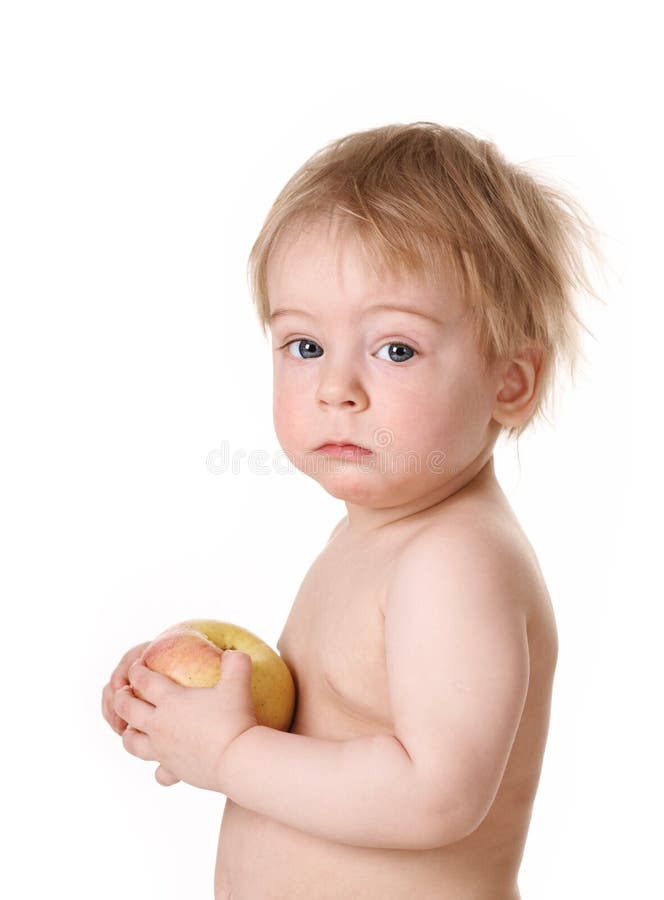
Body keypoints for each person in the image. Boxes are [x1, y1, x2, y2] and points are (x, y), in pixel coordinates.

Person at [101, 121, 605, 899]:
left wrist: (231, 754)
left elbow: (435, 795)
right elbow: (331, 735)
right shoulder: (377, 541)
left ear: (510, 382)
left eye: (394, 349)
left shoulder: (456, 560)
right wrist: (185, 707)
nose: (337, 388)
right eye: (304, 346)